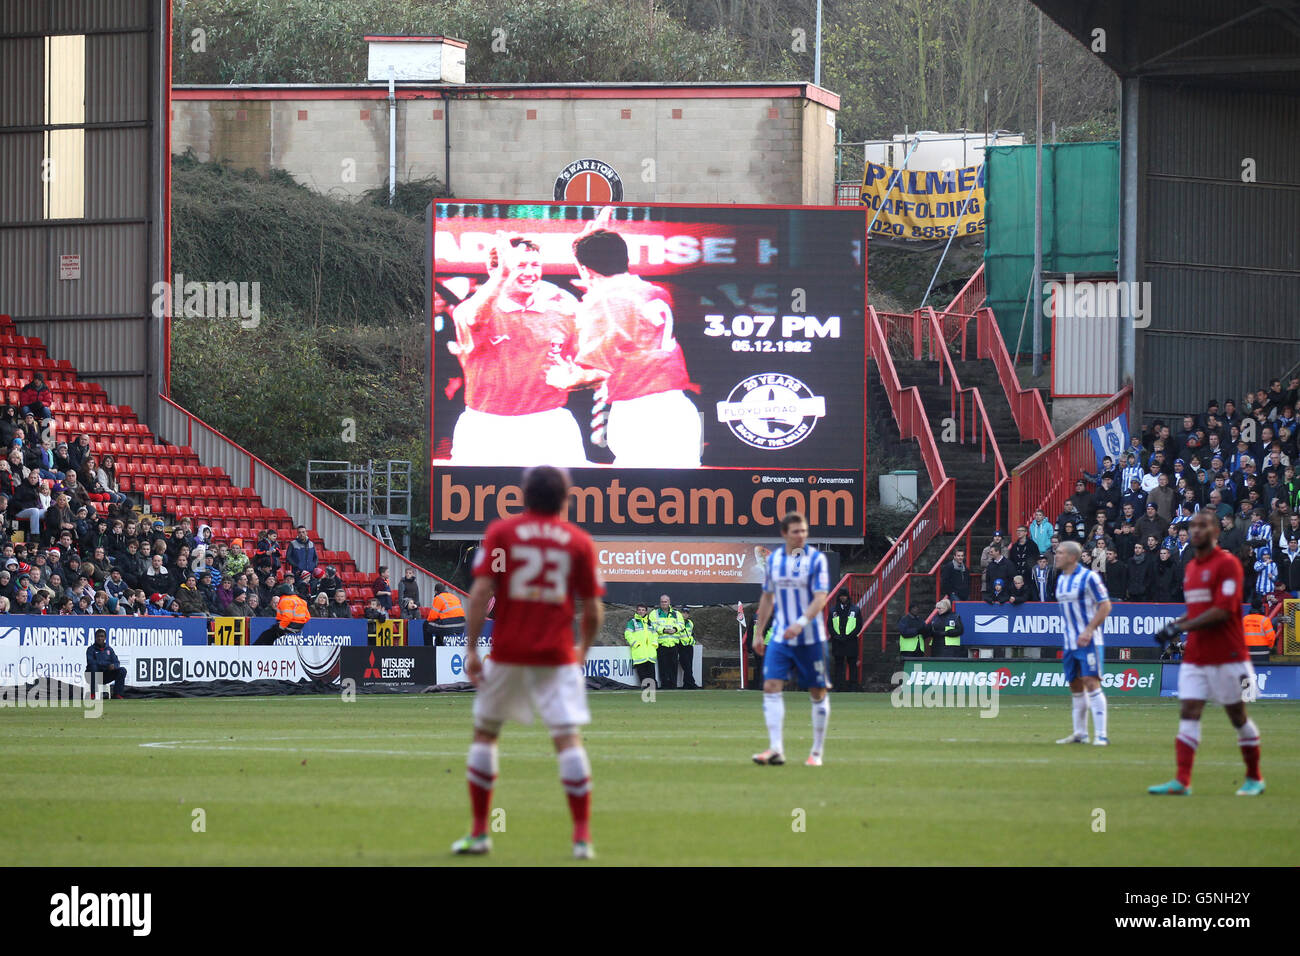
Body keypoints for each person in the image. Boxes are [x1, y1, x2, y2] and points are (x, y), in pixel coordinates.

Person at [452, 465, 604, 859]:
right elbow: (592, 609)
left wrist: (471, 649)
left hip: (509, 652)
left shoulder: (502, 533)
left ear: (523, 495)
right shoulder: (577, 541)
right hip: (556, 655)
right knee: (567, 739)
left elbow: (482, 590)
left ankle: (480, 832)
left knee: (486, 734)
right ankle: (582, 837)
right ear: (565, 498)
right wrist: (582, 651)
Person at [550, 212, 700, 467]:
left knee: (637, 499)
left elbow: (597, 372)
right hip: (680, 410)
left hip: (641, 416)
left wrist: (564, 380)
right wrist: (593, 245)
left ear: (585, 269)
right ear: (625, 258)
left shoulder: (601, 301)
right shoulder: (656, 291)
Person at [1150, 510, 1265, 796]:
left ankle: (1255, 777)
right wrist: (1179, 624)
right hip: (1196, 656)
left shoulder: (1228, 564)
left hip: (1229, 654)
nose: (1196, 530)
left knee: (1237, 716)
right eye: (1193, 526)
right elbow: (1199, 609)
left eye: (1203, 526)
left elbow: (1223, 611)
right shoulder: (1190, 569)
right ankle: (1182, 781)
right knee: (1188, 712)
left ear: (1216, 531)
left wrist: (1179, 626)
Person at [448, 235, 589, 466]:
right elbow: (474, 319)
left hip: (549, 425)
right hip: (486, 428)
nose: (530, 273)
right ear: (493, 271)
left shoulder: (564, 309)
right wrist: (503, 275)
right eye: (519, 266)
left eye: (535, 265)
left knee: (567, 500)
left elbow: (584, 364)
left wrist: (576, 377)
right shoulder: (470, 310)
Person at [751, 512, 831, 767]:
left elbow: (821, 598)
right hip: (782, 638)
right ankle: (776, 749)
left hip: (810, 637)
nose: (801, 536)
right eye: (796, 531)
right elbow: (767, 597)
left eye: (804, 531)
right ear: (784, 534)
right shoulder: (774, 560)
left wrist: (800, 623)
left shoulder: (816, 560)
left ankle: (816, 752)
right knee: (771, 686)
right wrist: (759, 632)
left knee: (817, 691)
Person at [1053, 541, 1113, 747]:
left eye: (1060, 553)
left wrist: (1089, 630)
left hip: (1089, 641)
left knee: (1091, 681)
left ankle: (1101, 735)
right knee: (1075, 686)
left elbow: (1105, 606)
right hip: (1069, 642)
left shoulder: (1089, 577)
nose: (1056, 555)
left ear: (1071, 557)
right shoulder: (1061, 580)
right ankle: (1080, 733)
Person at [827, 590, 863, 690]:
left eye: (845, 596)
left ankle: (853, 686)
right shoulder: (833, 610)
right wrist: (835, 635)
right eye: (841, 596)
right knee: (838, 665)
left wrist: (850, 635)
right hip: (837, 641)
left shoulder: (855, 609)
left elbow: (859, 625)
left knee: (852, 665)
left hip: (851, 641)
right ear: (838, 597)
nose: (843, 598)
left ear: (848, 597)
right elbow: (829, 625)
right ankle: (838, 686)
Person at [648, 593, 684, 690]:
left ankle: (673, 685)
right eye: (662, 602)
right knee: (663, 667)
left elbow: (682, 625)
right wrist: (664, 630)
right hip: (661, 644)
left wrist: (675, 629)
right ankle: (664, 685)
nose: (664, 603)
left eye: (666, 601)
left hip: (674, 644)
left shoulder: (677, 614)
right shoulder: (654, 613)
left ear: (669, 602)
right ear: (660, 603)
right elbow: (653, 626)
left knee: (673, 666)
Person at [623, 602, 657, 689]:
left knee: (652, 677)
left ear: (646, 611)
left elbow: (655, 634)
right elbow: (628, 634)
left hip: (650, 654)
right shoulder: (632, 622)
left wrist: (654, 644)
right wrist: (635, 644)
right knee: (643, 677)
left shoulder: (650, 623)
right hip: (639, 654)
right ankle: (646, 694)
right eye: (639, 610)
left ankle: (653, 694)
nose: (641, 612)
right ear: (636, 611)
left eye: (643, 610)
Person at [85, 627, 125, 699]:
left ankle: (117, 694)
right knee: (93, 667)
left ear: (105, 638)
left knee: (122, 670)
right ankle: (93, 694)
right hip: (93, 676)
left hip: (106, 675)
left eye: (102, 636)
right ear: (95, 638)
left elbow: (117, 662)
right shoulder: (90, 649)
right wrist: (107, 665)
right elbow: (91, 662)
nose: (100, 638)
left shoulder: (109, 649)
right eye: (98, 636)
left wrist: (114, 666)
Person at [1241, 595, 1276, 665]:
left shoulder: (1244, 619)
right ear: (1261, 607)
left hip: (1246, 650)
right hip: (1262, 651)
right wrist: (1270, 646)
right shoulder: (1265, 620)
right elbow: (1271, 637)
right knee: (1263, 671)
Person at [676, 606, 699, 689]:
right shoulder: (677, 623)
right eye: (683, 613)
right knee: (686, 666)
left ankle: (687, 684)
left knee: (689, 665)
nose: (685, 615)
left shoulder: (690, 623)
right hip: (681, 646)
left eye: (687, 613)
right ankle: (691, 683)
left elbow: (691, 634)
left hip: (689, 646)